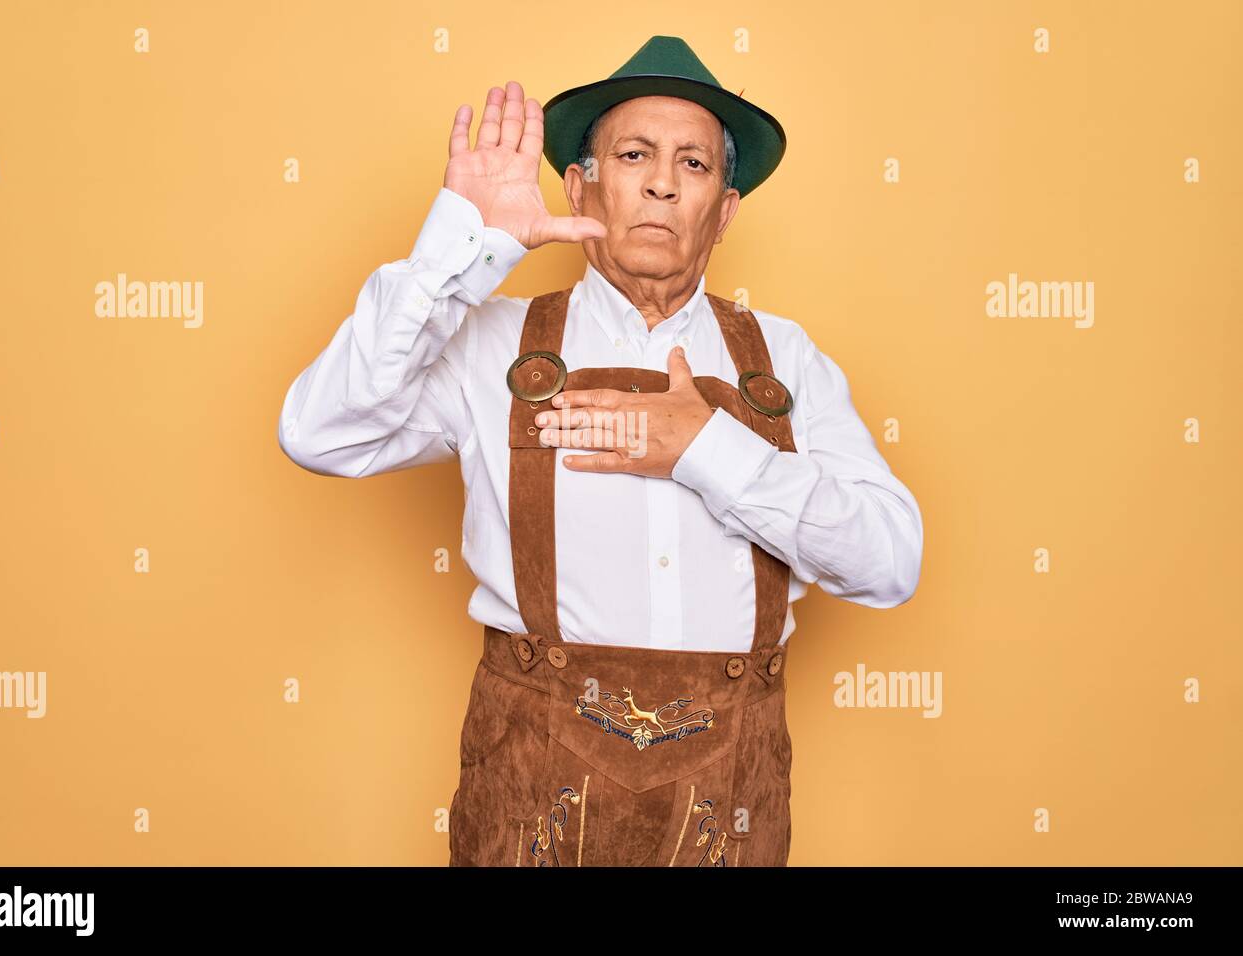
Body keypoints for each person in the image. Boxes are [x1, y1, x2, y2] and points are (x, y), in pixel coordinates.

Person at [277, 36, 923, 866]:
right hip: (527, 801)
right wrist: (463, 248)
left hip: (731, 809)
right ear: (581, 185)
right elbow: (320, 430)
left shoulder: (786, 360)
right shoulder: (493, 343)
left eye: (693, 163)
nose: (661, 180)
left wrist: (706, 449)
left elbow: (890, 562)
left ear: (723, 211)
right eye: (634, 154)